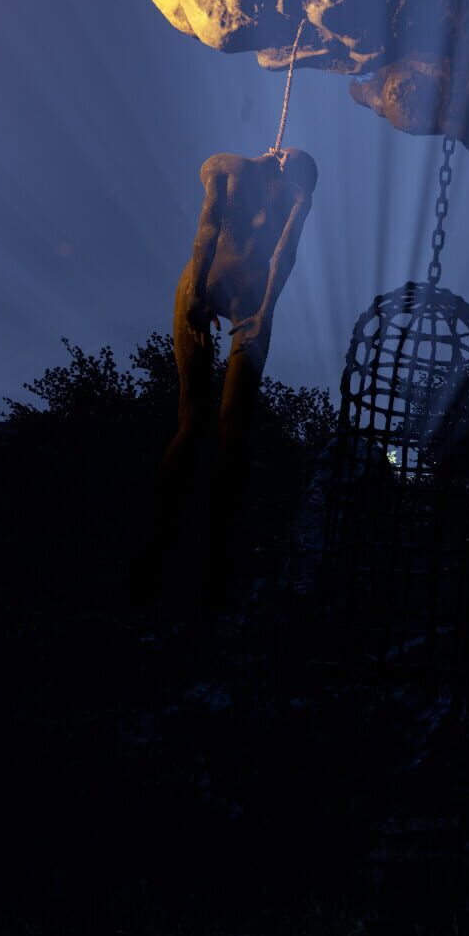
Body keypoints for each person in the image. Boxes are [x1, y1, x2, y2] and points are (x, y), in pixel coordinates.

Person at [134, 146, 318, 611]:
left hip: (242, 297)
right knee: (200, 423)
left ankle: (206, 556)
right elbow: (228, 235)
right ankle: (163, 545)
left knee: (223, 428)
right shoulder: (250, 172)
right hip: (237, 294)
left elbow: (244, 239)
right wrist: (207, 296)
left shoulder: (248, 173)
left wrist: (252, 308)